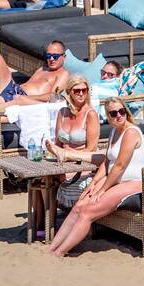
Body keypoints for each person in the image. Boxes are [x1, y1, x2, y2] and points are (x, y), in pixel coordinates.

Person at [47, 97, 144, 256]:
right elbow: (107, 162)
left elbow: (120, 166)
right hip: (116, 181)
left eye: (122, 111)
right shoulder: (115, 131)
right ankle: (52, 248)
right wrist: (93, 183)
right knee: (79, 204)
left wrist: (103, 189)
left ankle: (59, 252)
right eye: (114, 113)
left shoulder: (131, 132)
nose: (119, 116)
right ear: (108, 116)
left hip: (133, 182)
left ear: (126, 111)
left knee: (87, 212)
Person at [43, 73, 101, 216]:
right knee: (40, 181)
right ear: (69, 92)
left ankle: (52, 224)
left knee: (51, 180)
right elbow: (58, 143)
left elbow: (91, 149)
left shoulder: (90, 114)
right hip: (62, 162)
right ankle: (43, 225)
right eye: (77, 91)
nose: (81, 94)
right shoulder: (62, 112)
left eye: (84, 90)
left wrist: (69, 160)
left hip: (82, 164)